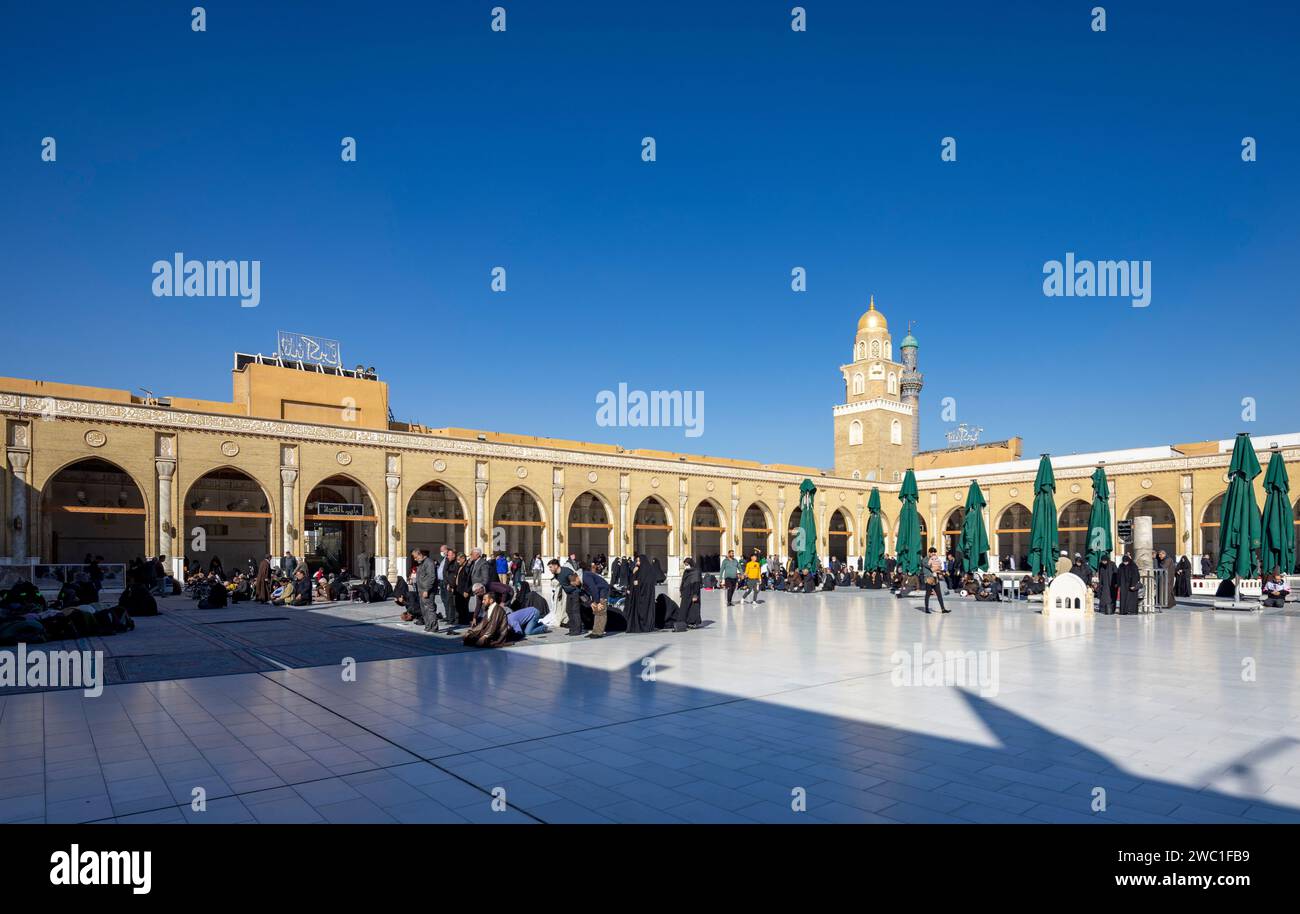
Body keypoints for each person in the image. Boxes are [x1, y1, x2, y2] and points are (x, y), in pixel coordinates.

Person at [625, 553, 663, 632]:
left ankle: (645, 625)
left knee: (644, 611)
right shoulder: (637, 570)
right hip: (638, 595)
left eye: (639, 561)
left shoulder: (649, 571)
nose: (637, 563)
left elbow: (648, 583)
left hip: (646, 597)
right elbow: (632, 581)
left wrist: (639, 583)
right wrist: (634, 573)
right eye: (637, 561)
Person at [415, 548, 440, 633]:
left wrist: (427, 590)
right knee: (424, 609)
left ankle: (433, 627)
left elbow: (431, 577)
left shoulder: (429, 563)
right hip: (421, 590)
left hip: (427, 590)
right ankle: (428, 626)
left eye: (416, 557)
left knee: (429, 609)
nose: (415, 559)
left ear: (420, 554)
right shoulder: (422, 563)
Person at [922, 548, 949, 613]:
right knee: (928, 594)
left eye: (934, 552)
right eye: (932, 552)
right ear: (929, 552)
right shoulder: (925, 560)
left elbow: (939, 567)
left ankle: (943, 609)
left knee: (939, 594)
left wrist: (939, 569)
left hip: (935, 578)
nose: (933, 554)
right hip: (928, 578)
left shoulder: (935, 558)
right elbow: (932, 567)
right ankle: (926, 609)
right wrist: (937, 566)